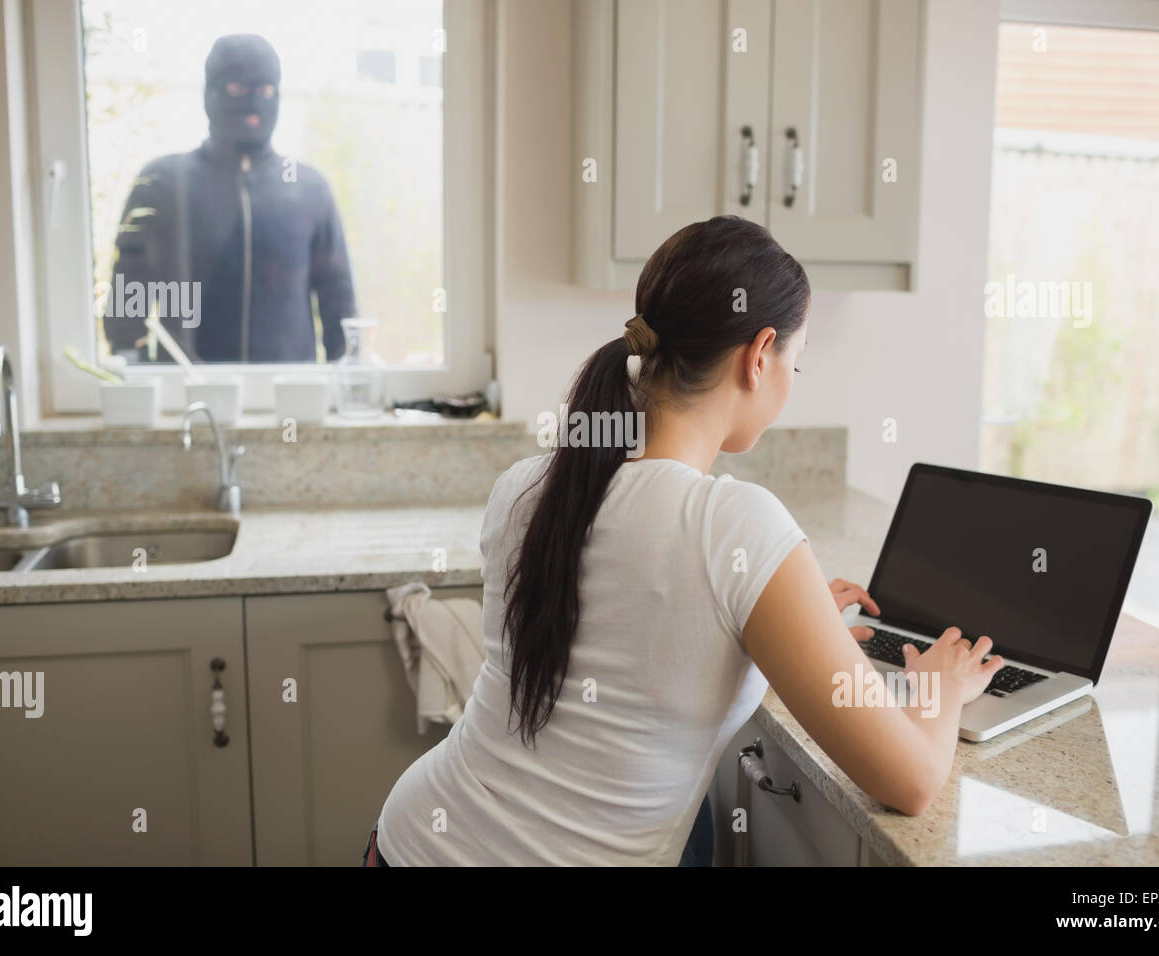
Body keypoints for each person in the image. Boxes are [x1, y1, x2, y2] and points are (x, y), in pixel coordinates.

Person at [367, 215, 1005, 866]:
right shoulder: (738, 525)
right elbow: (913, 783)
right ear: (759, 357)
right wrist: (943, 688)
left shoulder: (527, 487)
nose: (792, 380)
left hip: (411, 842)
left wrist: (798, 626)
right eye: (797, 362)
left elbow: (635, 643)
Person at [103, 34, 355, 364]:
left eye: (265, 91)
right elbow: (128, 295)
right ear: (209, 94)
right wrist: (133, 378)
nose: (253, 105)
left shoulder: (309, 189)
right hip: (186, 400)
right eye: (236, 89)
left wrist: (345, 389)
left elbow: (339, 305)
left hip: (288, 398)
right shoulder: (162, 183)